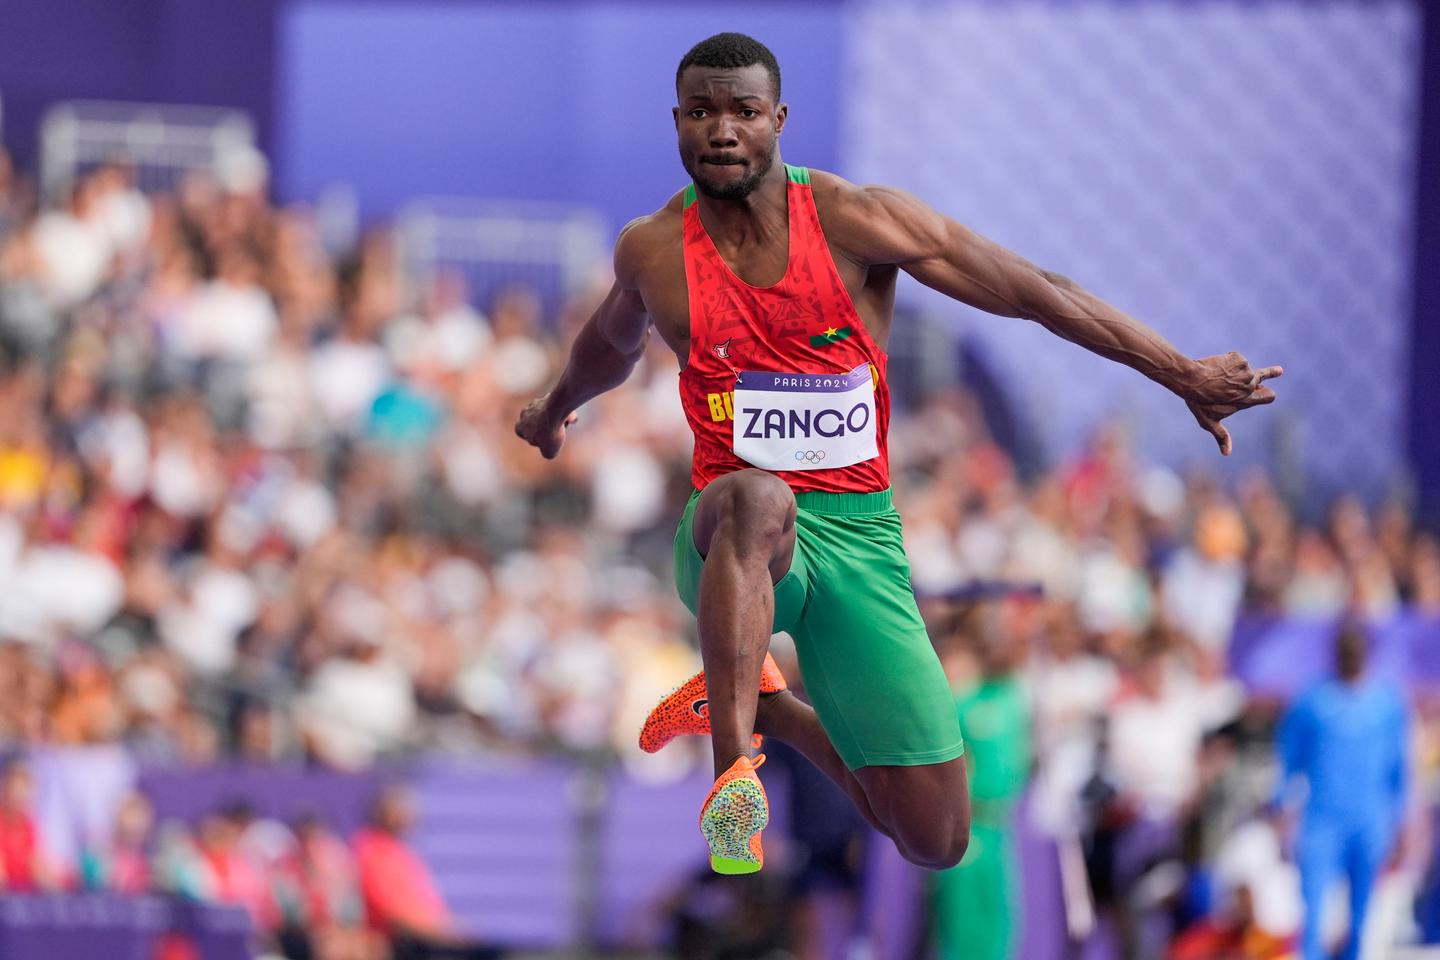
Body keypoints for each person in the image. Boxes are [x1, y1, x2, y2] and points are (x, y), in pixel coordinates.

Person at [515, 32, 1282, 875]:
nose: (721, 130)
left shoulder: (856, 221)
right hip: (730, 538)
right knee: (759, 498)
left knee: (937, 836)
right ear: (677, 122)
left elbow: (1039, 294)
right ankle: (732, 776)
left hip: (861, 537)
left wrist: (1177, 371)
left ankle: (766, 710)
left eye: (742, 112)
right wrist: (554, 411)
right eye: (701, 112)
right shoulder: (654, 250)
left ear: (778, 119)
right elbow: (609, 346)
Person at [1275, 621, 1410, 960]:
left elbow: (1398, 768)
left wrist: (1401, 820)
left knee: (1363, 907)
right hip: (1323, 819)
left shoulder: (1386, 703)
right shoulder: (1313, 700)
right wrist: (1281, 809)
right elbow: (1289, 759)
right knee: (1313, 904)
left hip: (1369, 818)